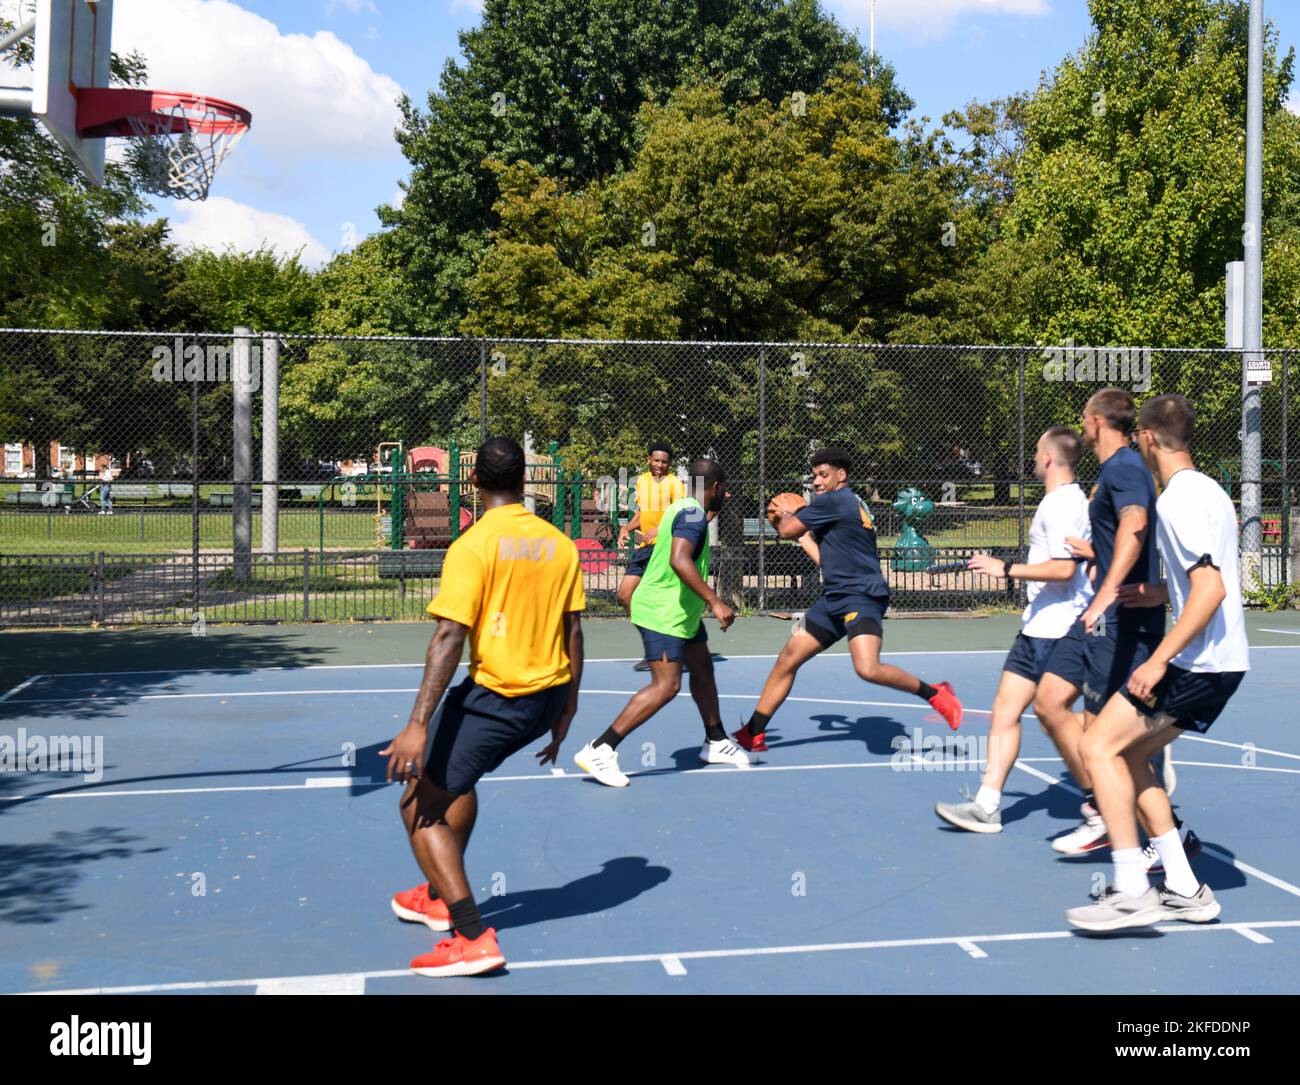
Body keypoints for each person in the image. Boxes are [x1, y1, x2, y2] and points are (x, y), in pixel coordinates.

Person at [383, 436, 585, 976]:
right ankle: (434, 894)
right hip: (542, 700)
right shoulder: (559, 544)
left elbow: (450, 635)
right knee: (457, 782)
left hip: (500, 697)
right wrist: (566, 711)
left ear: (472, 481)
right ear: (524, 481)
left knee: (416, 803)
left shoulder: (473, 545)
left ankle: (472, 936)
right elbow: (574, 629)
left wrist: (415, 726)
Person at [1066, 394, 1248, 930]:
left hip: (1198, 661)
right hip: (1219, 660)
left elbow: (1210, 590)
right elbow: (1205, 578)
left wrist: (1158, 659)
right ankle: (1187, 889)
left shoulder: (1177, 501)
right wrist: (1157, 592)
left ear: (1146, 436)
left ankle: (1131, 890)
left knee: (1096, 745)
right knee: (1128, 757)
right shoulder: (1211, 489)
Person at [1034, 389, 1190, 867]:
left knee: (1102, 735)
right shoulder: (1111, 473)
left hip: (1119, 620)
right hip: (1098, 616)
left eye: (1085, 417)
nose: (1083, 425)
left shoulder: (1124, 468)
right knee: (1049, 701)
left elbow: (1136, 526)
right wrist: (1095, 556)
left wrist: (1107, 589)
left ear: (1097, 421)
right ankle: (1106, 805)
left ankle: (1148, 832)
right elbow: (1121, 537)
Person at [733, 447, 962, 754]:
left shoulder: (835, 500)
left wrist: (782, 514)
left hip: (861, 596)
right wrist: (805, 537)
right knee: (788, 659)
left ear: (841, 475)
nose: (816, 481)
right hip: (835, 597)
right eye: (814, 475)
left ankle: (935, 692)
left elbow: (786, 529)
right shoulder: (846, 504)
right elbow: (826, 562)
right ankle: (753, 732)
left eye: (823, 474)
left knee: (867, 668)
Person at [935, 427, 1091, 832]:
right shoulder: (1055, 502)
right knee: (1005, 708)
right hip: (1037, 625)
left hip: (1063, 628)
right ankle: (988, 805)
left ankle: (1107, 793)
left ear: (1050, 459)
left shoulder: (1064, 505)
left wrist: (1004, 568)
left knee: (1056, 716)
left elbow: (1062, 569)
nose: (1033, 457)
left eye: (1038, 451)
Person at [574, 457, 750, 786]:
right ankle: (600, 749)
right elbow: (679, 558)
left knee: (701, 668)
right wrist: (715, 601)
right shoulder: (693, 515)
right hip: (662, 611)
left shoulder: (683, 506)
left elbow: (689, 536)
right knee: (666, 686)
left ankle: (716, 740)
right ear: (714, 487)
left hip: (681, 611)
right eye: (722, 490)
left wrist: (716, 508)